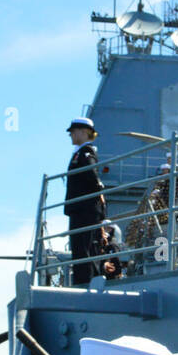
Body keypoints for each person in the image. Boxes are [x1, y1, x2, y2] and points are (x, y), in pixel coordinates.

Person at [65, 117, 106, 286]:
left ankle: (84, 284)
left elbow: (91, 174)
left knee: (84, 250)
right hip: (81, 208)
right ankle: (83, 282)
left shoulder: (86, 152)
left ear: (84, 132)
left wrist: (98, 190)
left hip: (84, 209)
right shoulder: (79, 152)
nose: (71, 135)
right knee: (81, 249)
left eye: (73, 132)